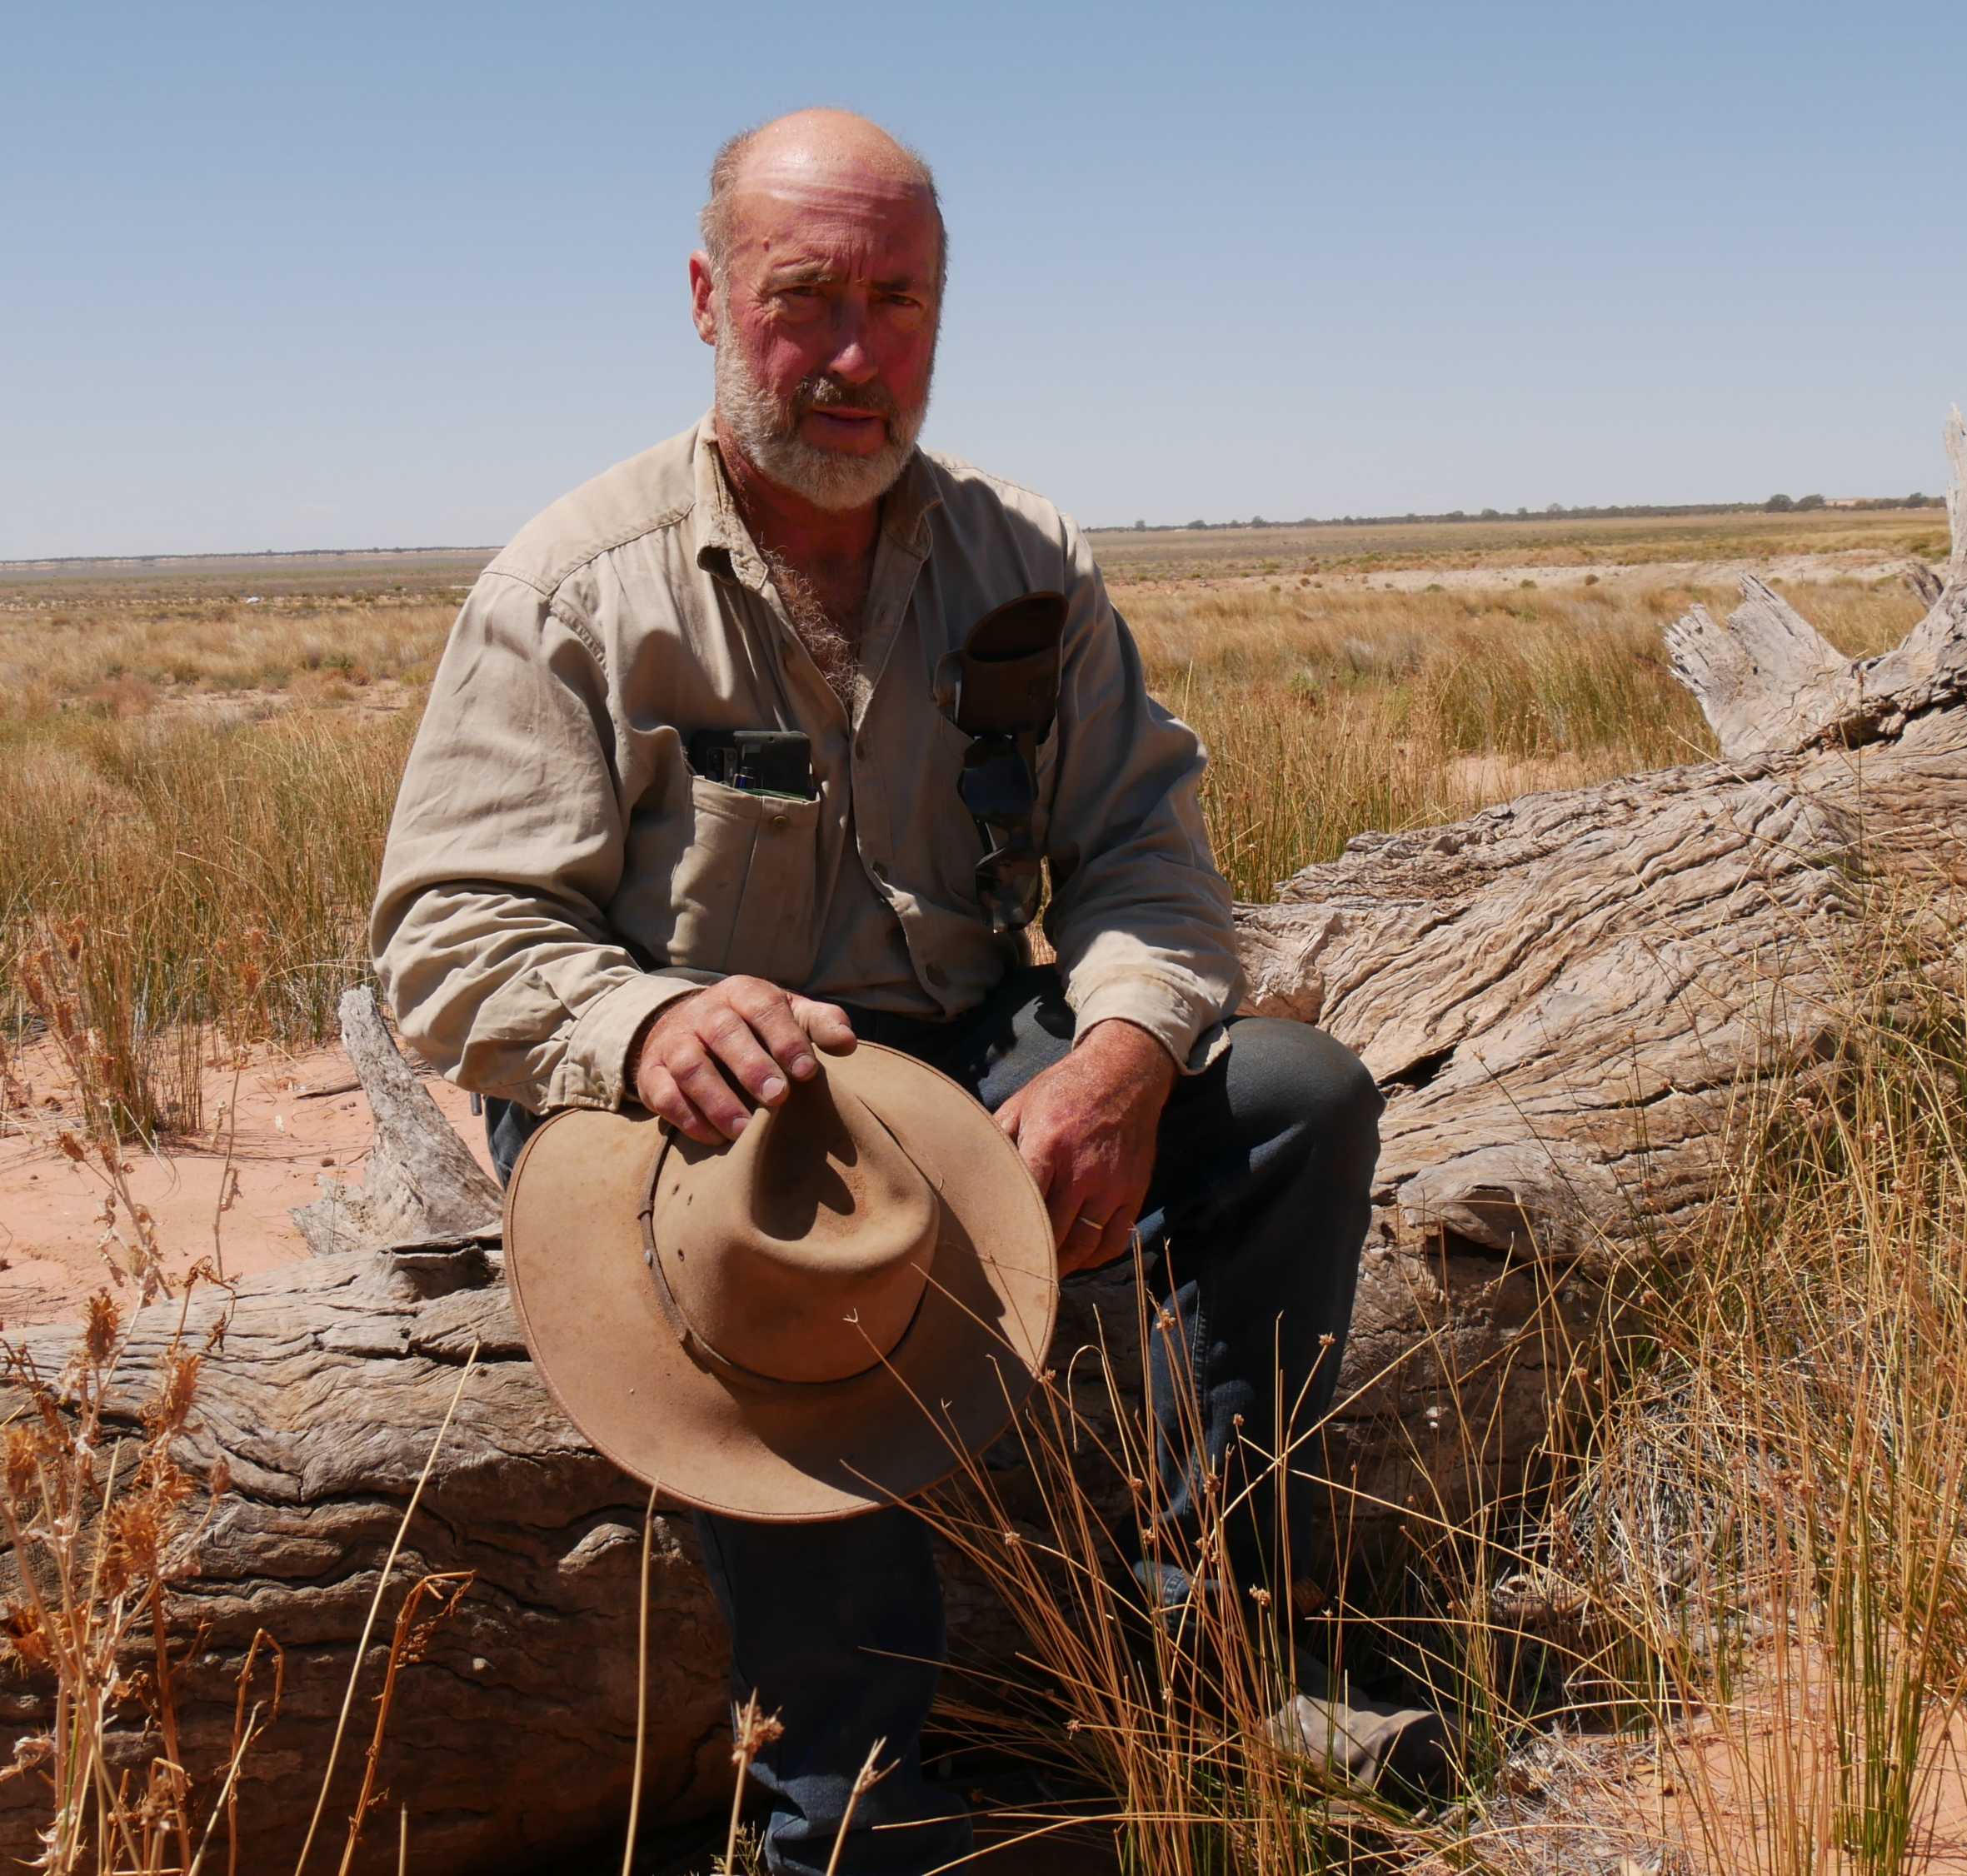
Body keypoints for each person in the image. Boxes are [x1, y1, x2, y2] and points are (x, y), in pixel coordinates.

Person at [370, 107, 1438, 1874]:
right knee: (782, 1248)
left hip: (947, 1043)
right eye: (805, 298)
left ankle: (1230, 1660)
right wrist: (645, 1022)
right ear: (707, 299)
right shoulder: (573, 591)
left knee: (1290, 1103)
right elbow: (450, 935)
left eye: (900, 301)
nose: (857, 356)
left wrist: (1120, 1056)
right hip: (676, 1092)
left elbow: (1147, 856)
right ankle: (849, 1809)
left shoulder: (1025, 562)